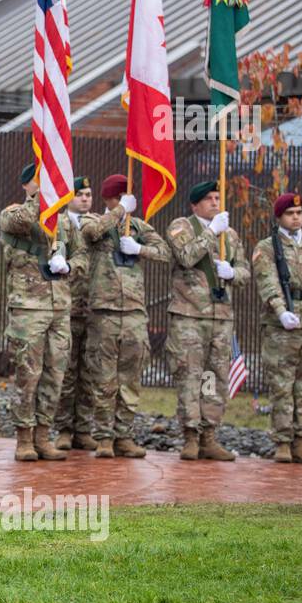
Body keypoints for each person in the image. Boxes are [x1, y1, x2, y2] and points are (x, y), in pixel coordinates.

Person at [80, 173, 171, 458]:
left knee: (130, 378)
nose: (124, 203)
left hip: (133, 312)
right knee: (104, 378)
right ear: (109, 198)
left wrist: (139, 248)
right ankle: (104, 437)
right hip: (104, 311)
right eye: (119, 198)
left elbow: (165, 252)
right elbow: (91, 234)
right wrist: (119, 212)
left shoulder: (138, 227)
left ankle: (124, 435)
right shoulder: (94, 221)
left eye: (126, 199)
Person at [250, 191, 302, 464]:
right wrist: (281, 311)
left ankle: (300, 440)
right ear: (279, 217)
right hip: (281, 325)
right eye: (290, 213)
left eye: (299, 213)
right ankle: (282, 441)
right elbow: (267, 283)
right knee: (282, 384)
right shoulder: (267, 247)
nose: (296, 217)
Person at [165, 181, 247, 461]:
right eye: (209, 199)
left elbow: (246, 271)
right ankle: (189, 436)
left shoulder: (230, 235)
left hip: (221, 317)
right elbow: (186, 257)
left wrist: (233, 274)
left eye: (217, 197)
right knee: (190, 376)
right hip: (189, 315)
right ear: (195, 204)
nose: (215, 202)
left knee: (215, 378)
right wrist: (211, 232)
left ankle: (208, 435)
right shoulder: (181, 227)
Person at [0, 164, 70, 461]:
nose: (45, 186)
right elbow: (24, 221)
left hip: (59, 306)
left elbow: (82, 260)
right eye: (39, 182)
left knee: (55, 375)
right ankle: (24, 438)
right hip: (28, 306)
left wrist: (68, 265)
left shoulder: (64, 222)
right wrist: (44, 198)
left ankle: (43, 435)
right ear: (27, 185)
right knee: (28, 374)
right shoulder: (12, 213)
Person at [54, 176, 97, 451]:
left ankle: (83, 428)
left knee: (90, 373)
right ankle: (64, 429)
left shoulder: (98, 224)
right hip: (67, 308)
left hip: (93, 308)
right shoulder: (58, 223)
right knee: (66, 372)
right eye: (80, 194)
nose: (85, 198)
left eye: (89, 194)